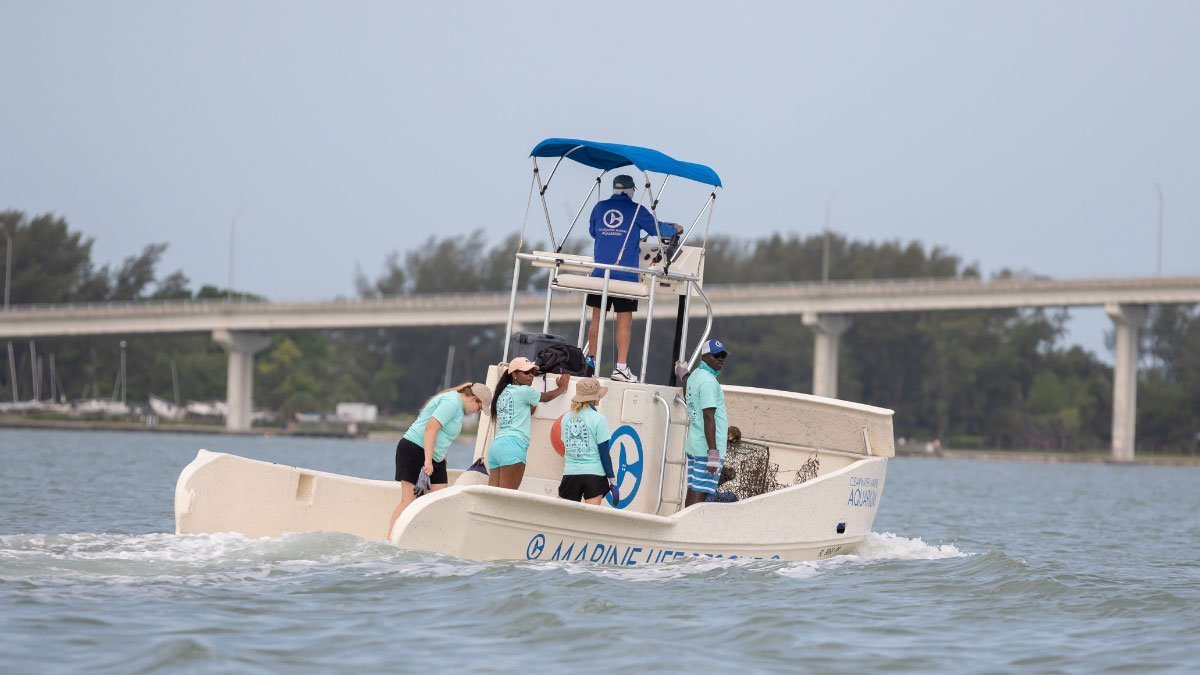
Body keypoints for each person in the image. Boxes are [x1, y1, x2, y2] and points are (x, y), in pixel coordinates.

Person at [586, 174, 683, 383]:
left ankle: (589, 361)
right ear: (631, 191)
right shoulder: (637, 210)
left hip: (600, 272)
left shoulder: (599, 207)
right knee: (624, 321)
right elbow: (659, 230)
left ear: (614, 189)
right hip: (625, 276)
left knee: (596, 319)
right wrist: (675, 227)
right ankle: (621, 367)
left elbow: (593, 232)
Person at [387, 381, 493, 536]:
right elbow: (431, 428)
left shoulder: (457, 406)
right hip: (414, 448)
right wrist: (428, 461)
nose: (477, 412)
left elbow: (442, 434)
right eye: (479, 408)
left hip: (434, 456)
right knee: (408, 500)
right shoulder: (452, 402)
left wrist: (441, 454)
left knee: (438, 501)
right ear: (474, 399)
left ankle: (421, 537)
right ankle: (391, 537)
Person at [487, 356, 570, 489]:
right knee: (506, 499)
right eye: (526, 373)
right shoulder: (524, 391)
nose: (531, 376)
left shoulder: (503, 393)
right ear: (514, 374)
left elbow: (525, 412)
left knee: (492, 498)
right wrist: (562, 387)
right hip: (513, 446)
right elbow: (546, 397)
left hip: (496, 447)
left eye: (533, 372)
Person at [681, 339, 729, 507]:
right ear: (705, 356)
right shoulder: (709, 382)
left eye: (723, 356)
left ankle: (682, 526)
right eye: (716, 356)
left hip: (695, 445)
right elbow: (709, 417)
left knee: (693, 490)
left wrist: (683, 374)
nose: (720, 359)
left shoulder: (695, 375)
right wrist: (713, 452)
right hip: (706, 449)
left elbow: (687, 390)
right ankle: (688, 531)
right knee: (699, 496)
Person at [556, 377, 618, 505]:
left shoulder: (565, 418)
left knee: (565, 519)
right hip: (594, 475)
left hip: (570, 474)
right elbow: (604, 454)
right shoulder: (599, 419)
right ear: (595, 397)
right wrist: (613, 481)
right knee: (590, 521)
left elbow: (566, 447)